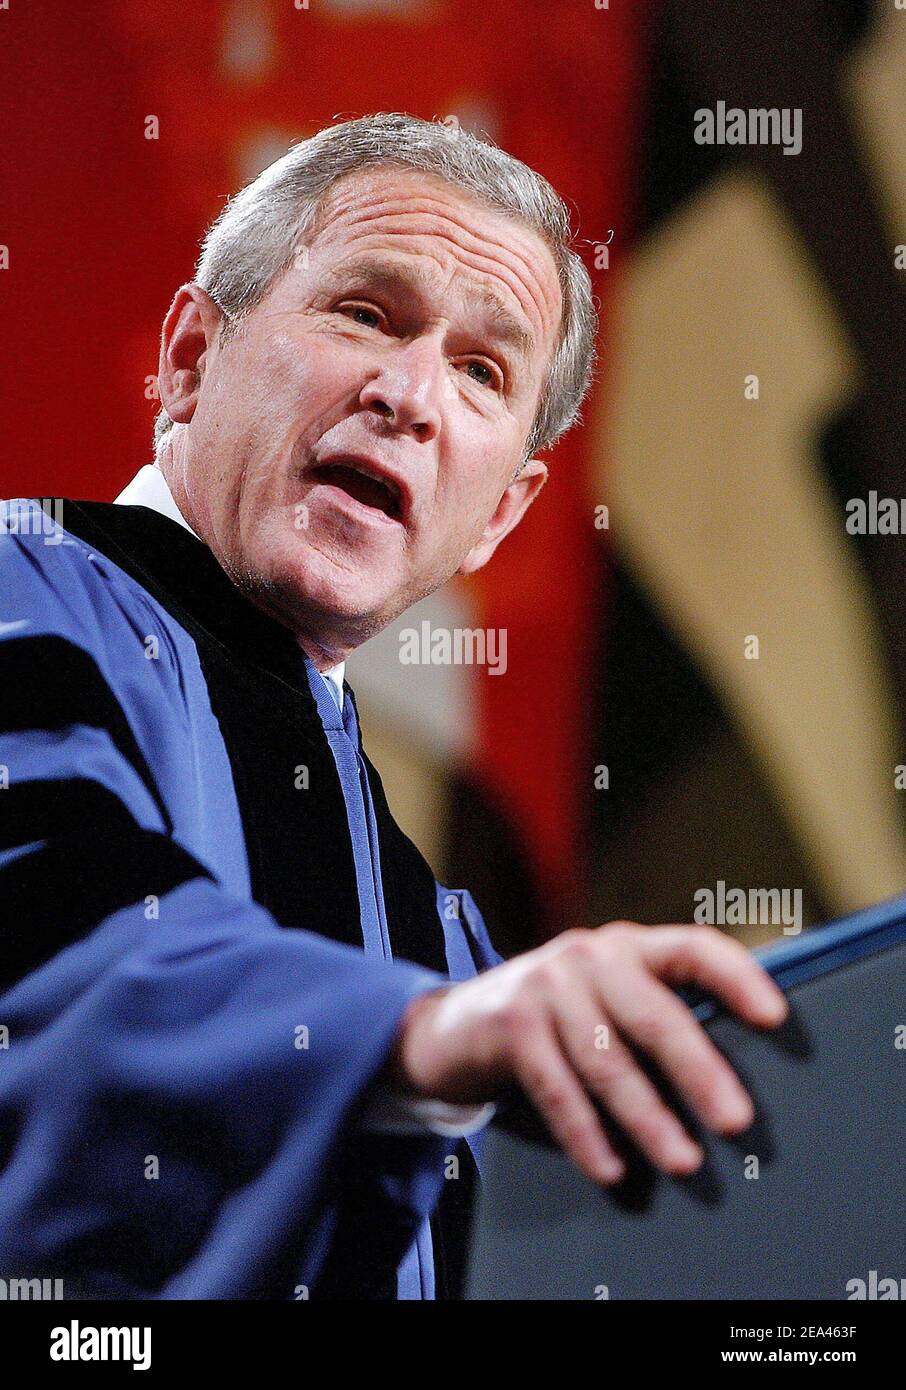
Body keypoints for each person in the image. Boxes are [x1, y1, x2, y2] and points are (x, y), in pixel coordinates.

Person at [0, 112, 787, 1300]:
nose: (412, 396)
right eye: (366, 312)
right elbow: (56, 954)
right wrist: (419, 1040)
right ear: (191, 358)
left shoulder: (429, 928)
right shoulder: (24, 594)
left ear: (501, 514)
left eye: (484, 372)